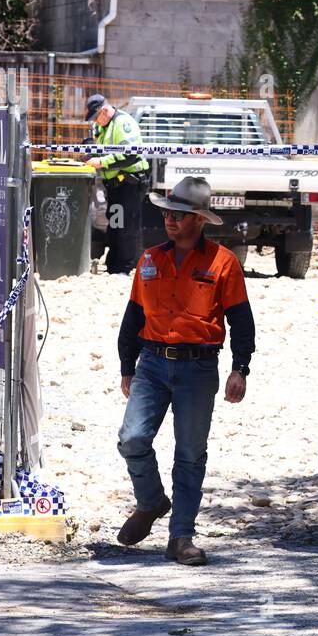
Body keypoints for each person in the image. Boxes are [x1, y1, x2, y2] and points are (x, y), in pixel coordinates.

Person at [114, 176, 255, 566]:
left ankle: (181, 537)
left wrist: (239, 368)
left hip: (199, 367)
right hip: (152, 364)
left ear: (199, 219)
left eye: (179, 215)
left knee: (191, 455)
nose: (170, 221)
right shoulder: (150, 259)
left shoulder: (223, 263)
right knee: (131, 439)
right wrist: (127, 366)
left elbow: (241, 320)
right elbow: (134, 316)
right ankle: (152, 501)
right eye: (167, 214)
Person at [85, 94, 149, 274]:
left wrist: (101, 163)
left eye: (96, 117)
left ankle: (124, 267)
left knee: (125, 227)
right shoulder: (104, 125)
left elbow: (130, 156)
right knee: (115, 225)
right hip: (115, 186)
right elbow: (97, 145)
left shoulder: (123, 124)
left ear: (104, 110)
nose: (95, 122)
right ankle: (115, 265)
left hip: (128, 184)